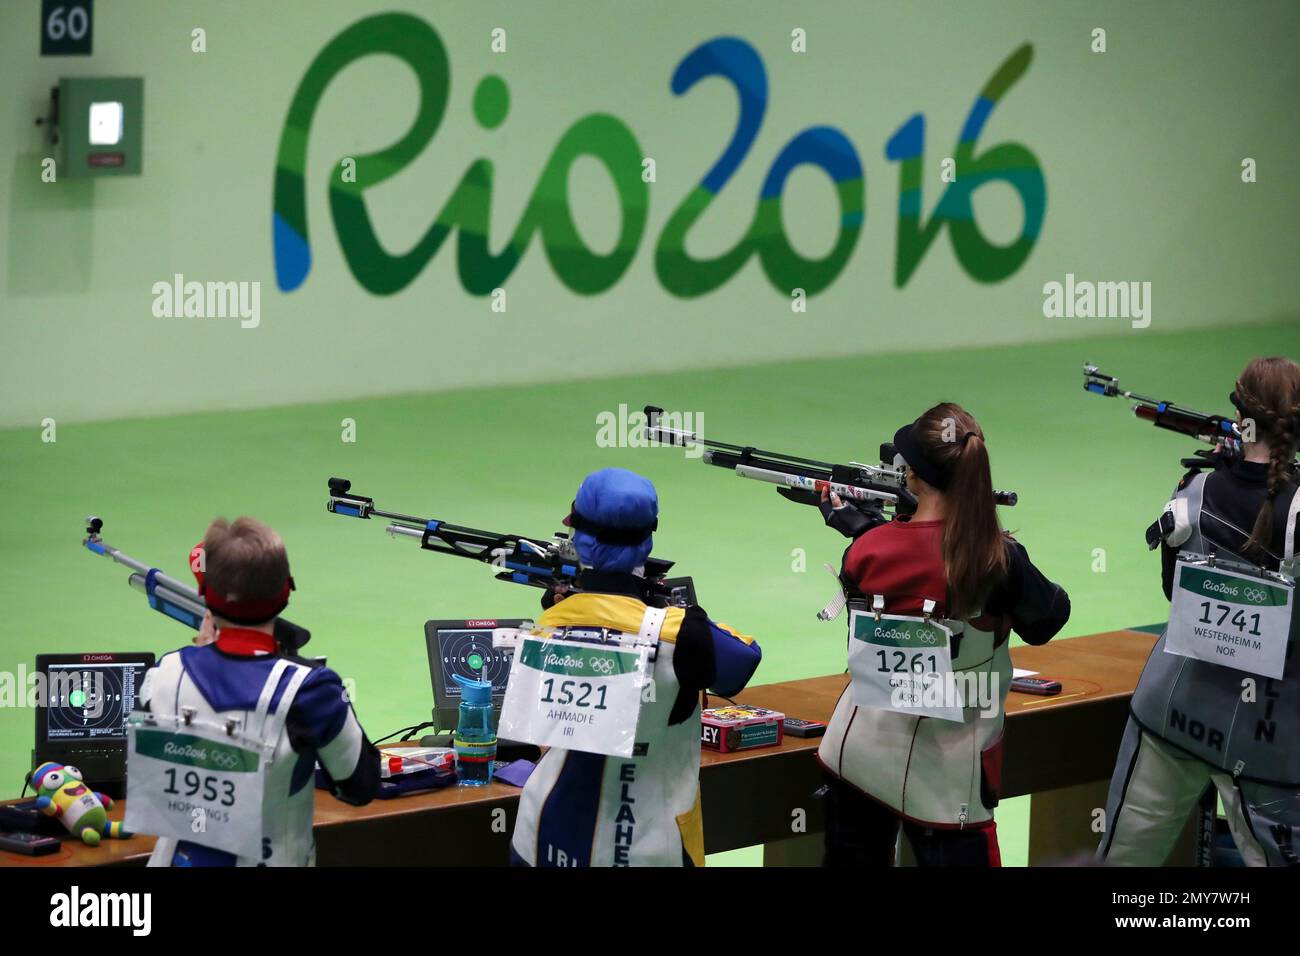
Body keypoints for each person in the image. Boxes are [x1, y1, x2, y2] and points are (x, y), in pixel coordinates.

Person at [816, 403, 1070, 866]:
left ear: (910, 475)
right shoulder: (1000, 560)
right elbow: (1048, 618)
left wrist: (867, 528)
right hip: (952, 771)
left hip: (860, 751)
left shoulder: (868, 550)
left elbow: (890, 569)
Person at [1099, 357, 1300, 866]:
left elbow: (1175, 592)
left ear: (1241, 414)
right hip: (1269, 733)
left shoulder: (1192, 493)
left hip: (1174, 710)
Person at [509, 467, 762, 866]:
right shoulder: (682, 632)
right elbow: (742, 661)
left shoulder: (548, 624)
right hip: (646, 847)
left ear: (577, 536)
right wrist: (667, 608)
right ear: (647, 540)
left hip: (542, 837)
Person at [134, 517, 379, 866]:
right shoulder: (313, 690)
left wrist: (205, 651)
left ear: (206, 595)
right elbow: (360, 786)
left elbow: (154, 783)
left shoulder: (163, 673)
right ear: (285, 592)